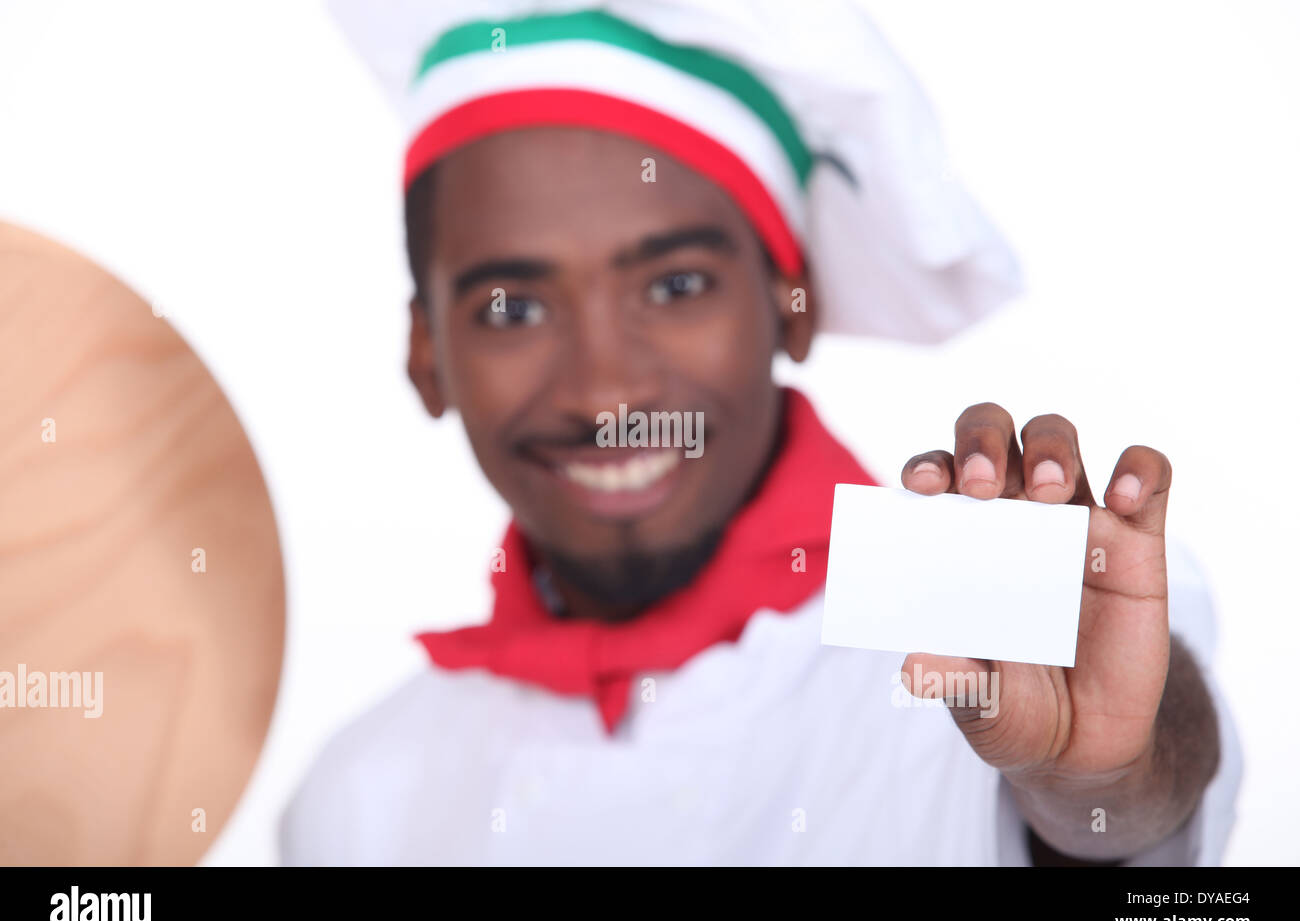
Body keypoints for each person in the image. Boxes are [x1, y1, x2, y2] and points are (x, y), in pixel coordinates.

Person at [281, 0, 1240, 865]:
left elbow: (1130, 840)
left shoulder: (980, 648)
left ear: (792, 304)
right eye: (511, 309)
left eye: (677, 286)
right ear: (426, 355)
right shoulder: (355, 803)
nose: (605, 392)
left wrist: (1098, 785)